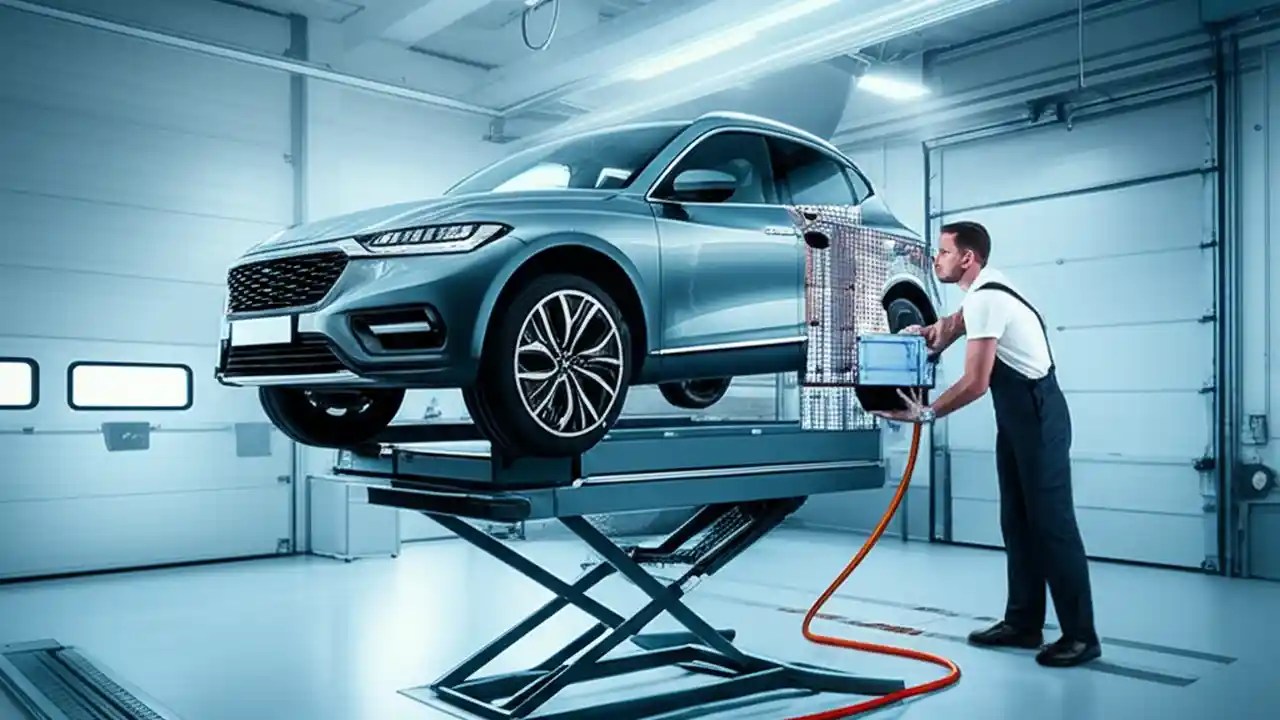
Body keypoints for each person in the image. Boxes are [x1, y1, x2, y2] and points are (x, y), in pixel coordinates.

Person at [873, 220, 1101, 668]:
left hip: (1038, 416)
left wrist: (927, 412)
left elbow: (976, 383)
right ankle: (1023, 623)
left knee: (1052, 525)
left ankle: (1081, 635)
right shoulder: (980, 295)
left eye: (942, 252)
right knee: (1017, 521)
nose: (935, 259)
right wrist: (926, 334)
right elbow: (952, 326)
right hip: (1016, 419)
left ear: (967, 258)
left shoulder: (988, 299)